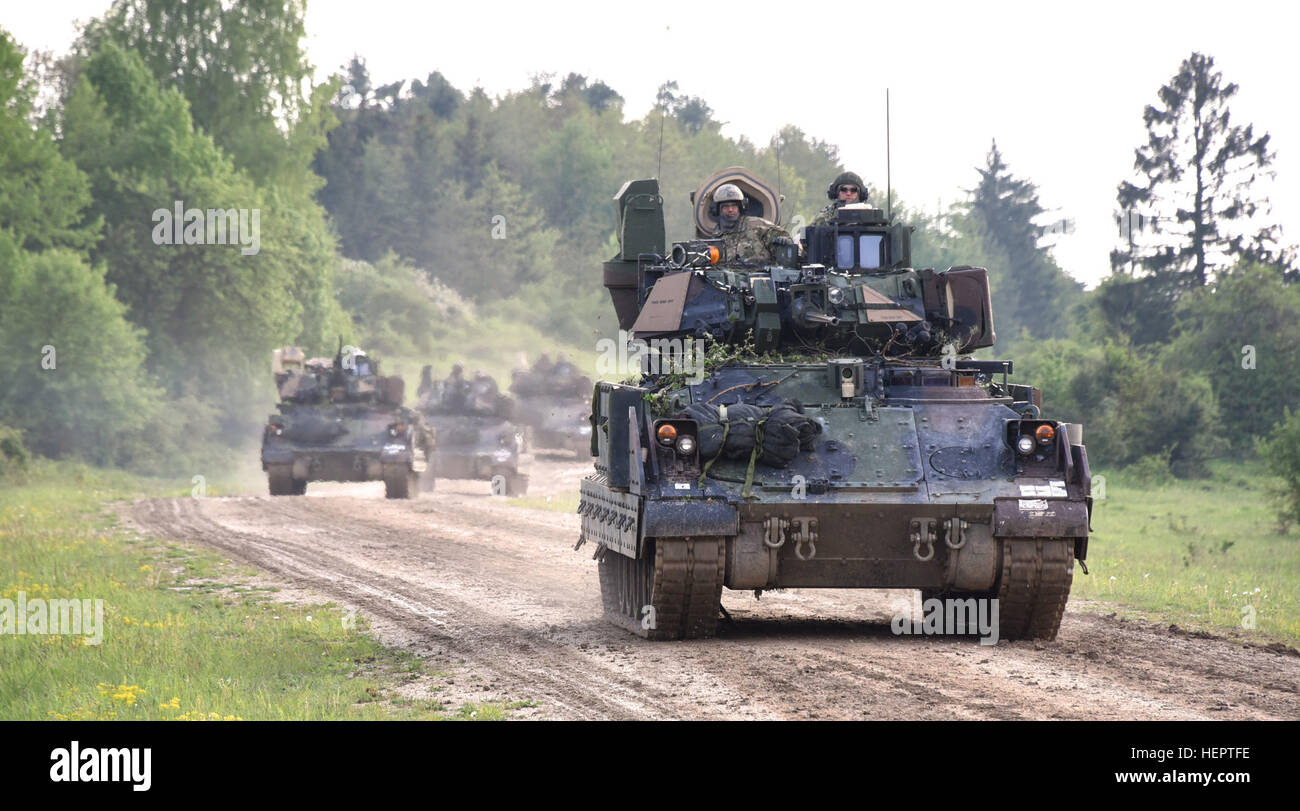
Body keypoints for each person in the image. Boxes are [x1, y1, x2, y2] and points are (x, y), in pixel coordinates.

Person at [708, 183, 794, 264]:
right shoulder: (714, 239)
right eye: (726, 206)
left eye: (734, 206)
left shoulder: (758, 226)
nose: (730, 210)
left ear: (741, 208)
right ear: (717, 209)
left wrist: (785, 242)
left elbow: (784, 241)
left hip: (759, 276)